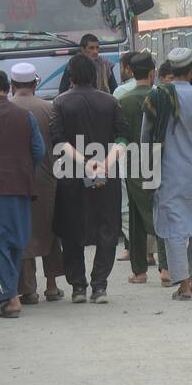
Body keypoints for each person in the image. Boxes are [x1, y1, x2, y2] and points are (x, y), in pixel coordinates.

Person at [142, 48, 192, 300]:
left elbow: (145, 138)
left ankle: (183, 283)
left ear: (170, 71)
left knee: (173, 227)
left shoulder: (156, 96)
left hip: (167, 171)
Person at [51, 53, 128, 303]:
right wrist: (105, 163)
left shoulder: (60, 103)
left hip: (71, 175)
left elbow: (59, 142)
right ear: (95, 75)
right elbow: (123, 138)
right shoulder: (110, 101)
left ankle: (78, 287)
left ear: (70, 76)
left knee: (72, 229)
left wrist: (85, 162)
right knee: (107, 228)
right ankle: (100, 286)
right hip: (107, 174)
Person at [0, 70, 45, 317]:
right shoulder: (24, 116)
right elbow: (38, 150)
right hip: (21, 187)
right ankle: (7, 293)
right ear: (8, 88)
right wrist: (24, 169)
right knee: (16, 241)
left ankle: (11, 297)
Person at [9, 62, 66, 304]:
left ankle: (28, 289)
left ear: (12, 85)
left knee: (23, 231)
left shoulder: (7, 109)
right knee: (50, 230)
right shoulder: (50, 108)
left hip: (16, 181)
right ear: (35, 83)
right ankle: (52, 286)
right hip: (48, 177)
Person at [118, 53, 167, 284]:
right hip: (160, 160)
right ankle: (166, 267)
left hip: (132, 163)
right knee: (159, 213)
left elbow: (119, 136)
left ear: (130, 72)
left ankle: (139, 271)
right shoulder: (162, 97)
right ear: (152, 73)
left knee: (137, 215)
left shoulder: (123, 101)